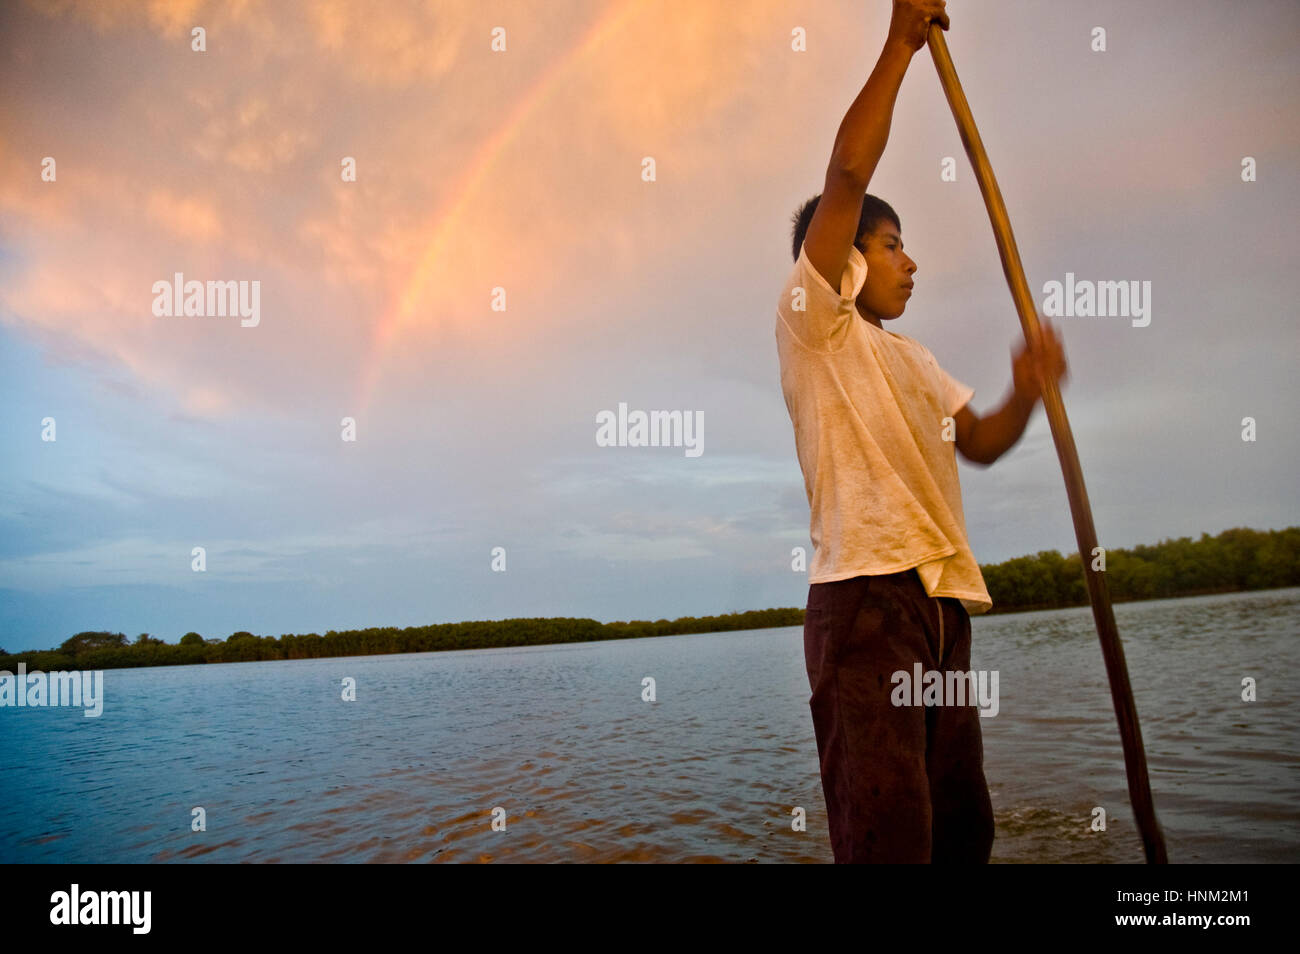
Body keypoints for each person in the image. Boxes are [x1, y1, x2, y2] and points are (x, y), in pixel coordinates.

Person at [775, 0, 1068, 863]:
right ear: (850, 259)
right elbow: (846, 174)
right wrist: (900, 44)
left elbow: (976, 441)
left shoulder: (913, 358)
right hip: (865, 603)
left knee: (959, 829)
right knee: (889, 835)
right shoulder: (812, 325)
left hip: (939, 608)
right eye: (893, 244)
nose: (911, 261)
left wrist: (1026, 391)